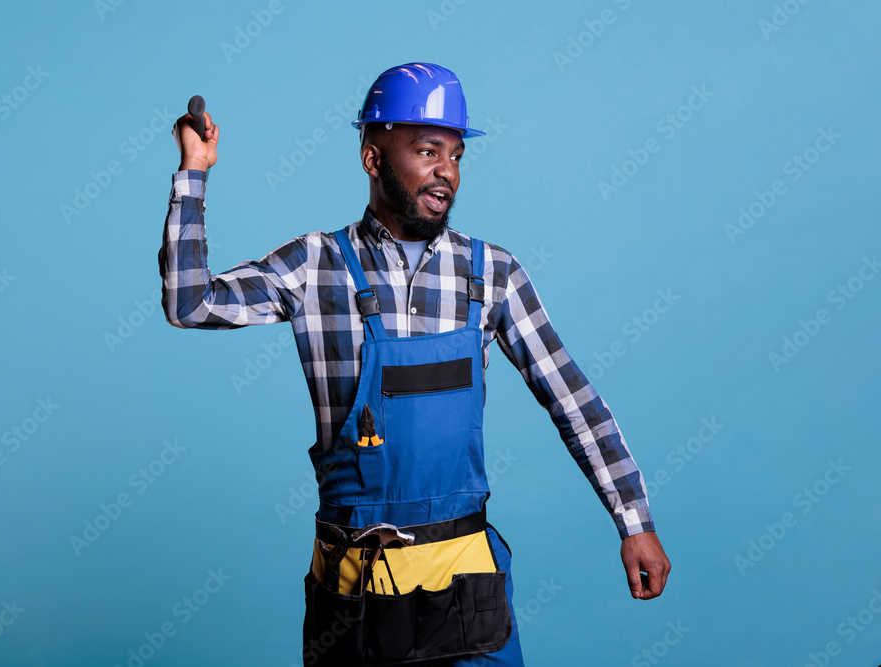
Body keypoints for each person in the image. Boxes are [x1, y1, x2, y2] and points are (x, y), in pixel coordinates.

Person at [159, 62, 670, 666]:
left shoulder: (493, 274)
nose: (445, 172)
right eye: (428, 151)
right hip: (355, 599)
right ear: (373, 158)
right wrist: (193, 175)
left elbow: (572, 398)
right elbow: (190, 304)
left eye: (455, 155)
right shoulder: (313, 265)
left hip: (466, 594)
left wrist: (633, 519)